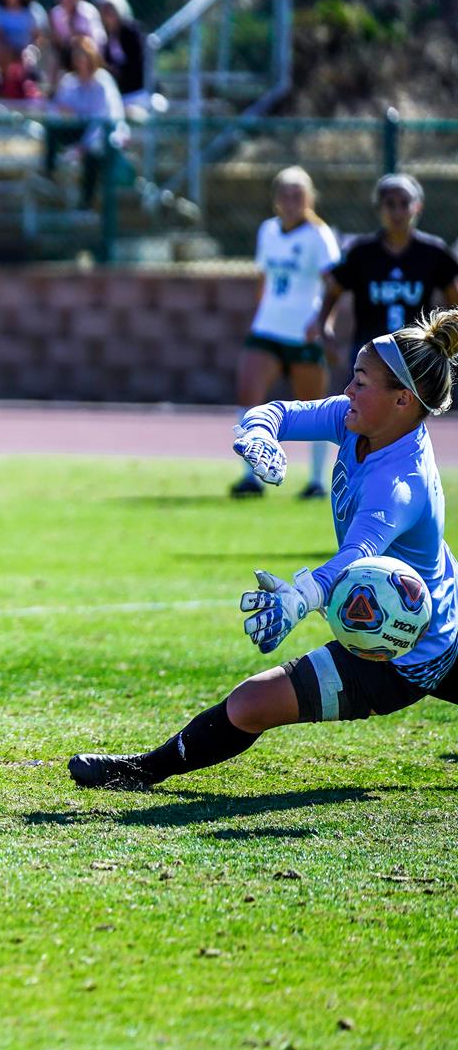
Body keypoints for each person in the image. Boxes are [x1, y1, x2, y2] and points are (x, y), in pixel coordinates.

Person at [69, 312, 458, 791]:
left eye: (359, 381)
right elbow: (278, 411)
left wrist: (297, 599)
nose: (348, 391)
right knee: (250, 704)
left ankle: (139, 773)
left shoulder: (398, 482)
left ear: (402, 399)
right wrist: (257, 434)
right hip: (436, 613)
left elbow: (355, 559)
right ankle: (138, 773)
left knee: (250, 704)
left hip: (402, 654)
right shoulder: (359, 422)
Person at [232, 167, 340, 500]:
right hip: (268, 327)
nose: (291, 201)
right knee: (248, 393)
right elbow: (263, 278)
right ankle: (251, 476)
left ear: (309, 198)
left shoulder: (318, 235)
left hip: (303, 331)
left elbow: (334, 284)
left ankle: (317, 481)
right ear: (276, 199)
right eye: (285, 194)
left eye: (298, 195)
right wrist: (259, 312)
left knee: (312, 408)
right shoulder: (268, 230)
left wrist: (326, 323)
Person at [313, 174, 458, 379]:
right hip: (369, 351)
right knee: (362, 407)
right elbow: (332, 292)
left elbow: (454, 300)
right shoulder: (361, 252)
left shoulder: (434, 252)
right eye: (389, 204)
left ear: (417, 207)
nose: (397, 211)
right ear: (379, 209)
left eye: (404, 203)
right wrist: (325, 330)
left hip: (416, 352)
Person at [45, 35, 127, 208]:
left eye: (83, 55)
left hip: (105, 134)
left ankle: (87, 202)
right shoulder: (70, 81)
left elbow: (104, 119)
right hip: (81, 131)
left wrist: (83, 146)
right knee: (52, 130)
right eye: (76, 56)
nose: (79, 60)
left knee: (93, 153)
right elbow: (57, 110)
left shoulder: (102, 82)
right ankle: (49, 173)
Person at [91, 0, 148, 105]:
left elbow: (137, 64)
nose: (107, 13)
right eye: (103, 9)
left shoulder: (132, 32)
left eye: (110, 8)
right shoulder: (100, 34)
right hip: (113, 92)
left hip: (136, 91)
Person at [47, 0, 105, 82]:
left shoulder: (88, 12)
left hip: (90, 58)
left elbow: (96, 44)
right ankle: (52, 89)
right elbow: (58, 44)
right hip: (66, 58)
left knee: (80, 48)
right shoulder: (55, 14)